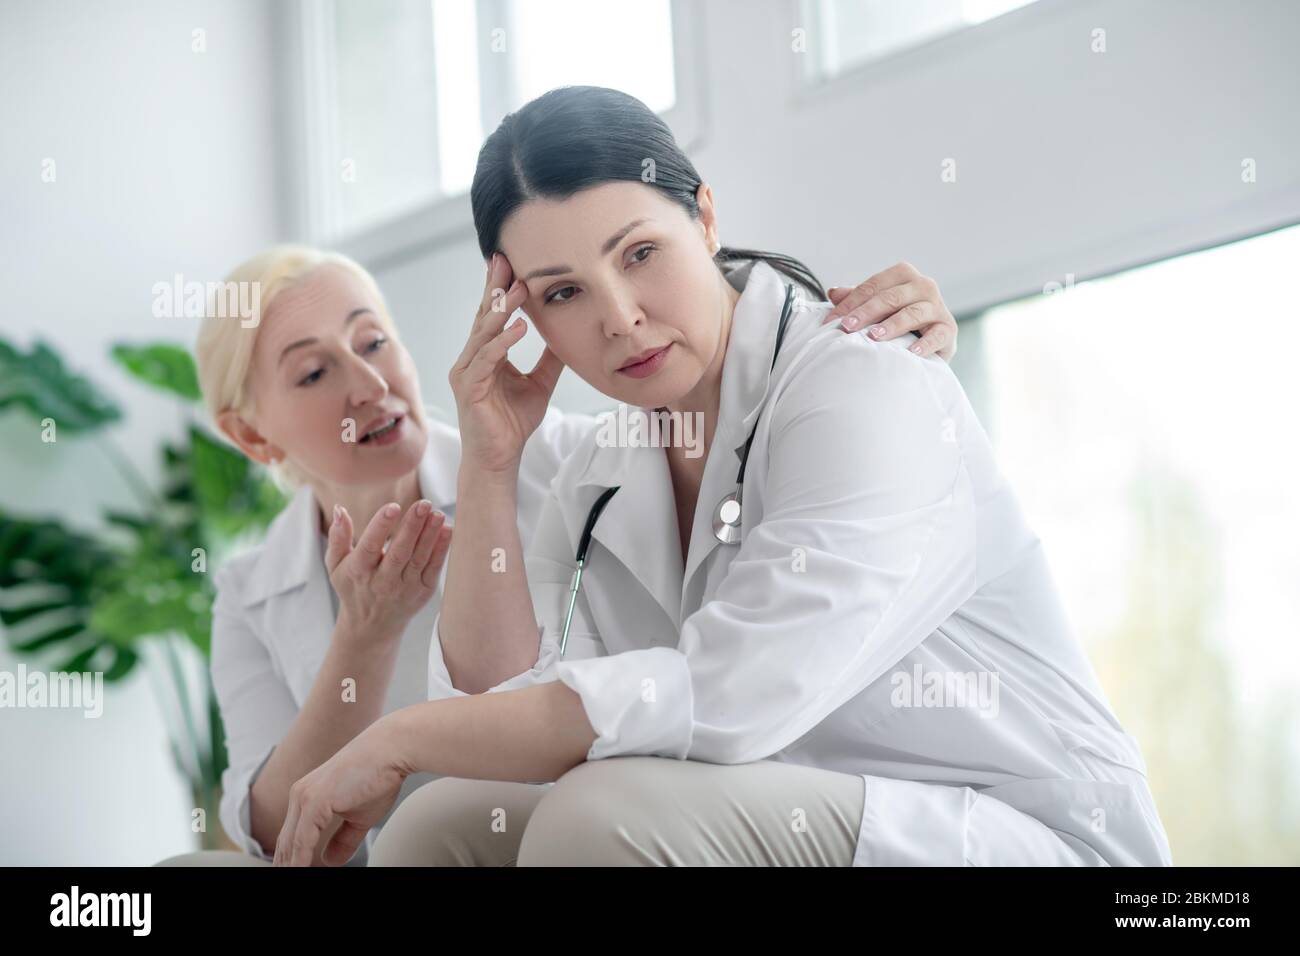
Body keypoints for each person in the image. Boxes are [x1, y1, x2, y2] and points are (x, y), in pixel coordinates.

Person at [270, 87, 1170, 868]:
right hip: (788, 810)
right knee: (441, 826)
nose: (619, 320)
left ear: (703, 217)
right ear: (523, 311)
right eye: (563, 293)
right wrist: (493, 463)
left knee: (598, 821)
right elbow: (493, 710)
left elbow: (732, 690)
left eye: (638, 253)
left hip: (1013, 832)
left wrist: (398, 736)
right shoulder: (599, 467)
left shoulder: (861, 378)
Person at [155, 235, 961, 866]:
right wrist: (363, 638)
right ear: (249, 433)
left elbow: (736, 461)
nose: (366, 386)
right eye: (313, 373)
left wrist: (875, 333)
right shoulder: (251, 586)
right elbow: (267, 831)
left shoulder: (565, 461)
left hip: (566, 827)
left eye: (373, 343)